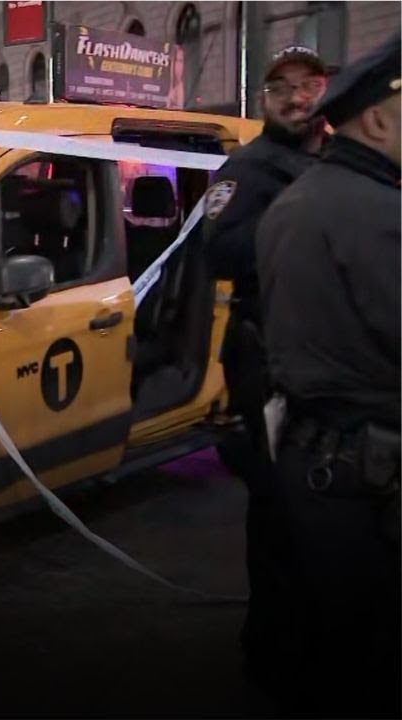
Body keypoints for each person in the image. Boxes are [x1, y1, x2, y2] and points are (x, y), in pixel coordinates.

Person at [255, 32, 401, 717]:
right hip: (369, 475)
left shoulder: (302, 198)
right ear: (378, 117)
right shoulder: (380, 216)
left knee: (329, 642)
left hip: (314, 463)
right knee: (370, 657)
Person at [198, 44, 328, 689]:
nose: (297, 98)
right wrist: (302, 225)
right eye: (284, 88)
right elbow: (215, 248)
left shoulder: (339, 158)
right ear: (264, 99)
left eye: (309, 85)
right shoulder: (246, 168)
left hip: (327, 352)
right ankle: (272, 651)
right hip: (267, 353)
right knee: (278, 508)